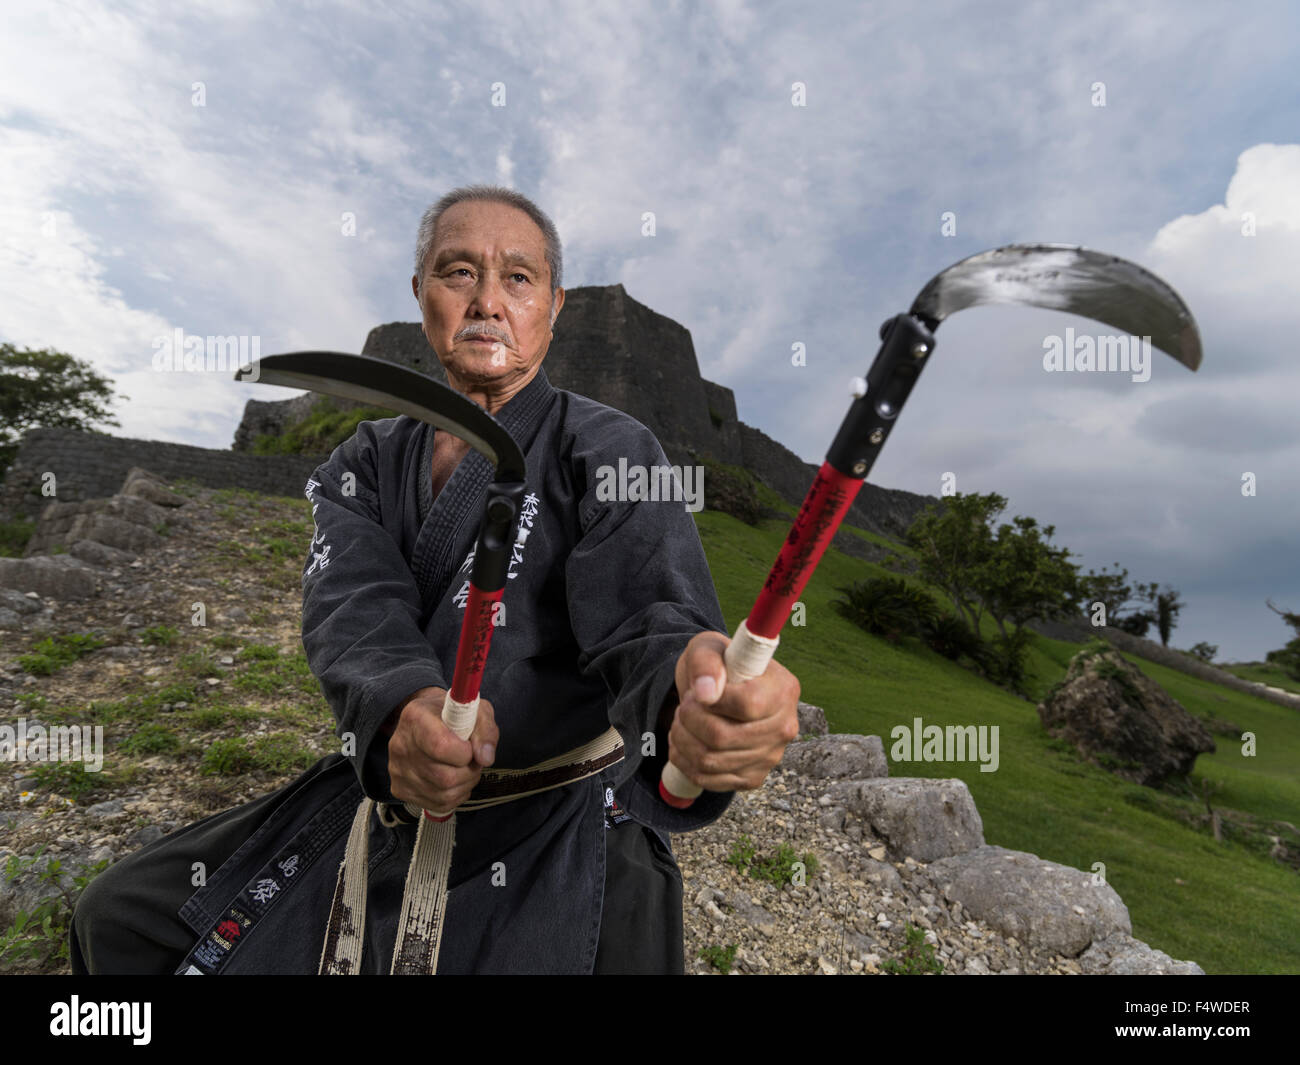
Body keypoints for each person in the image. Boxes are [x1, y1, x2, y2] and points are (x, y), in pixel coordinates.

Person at [70, 184, 801, 975]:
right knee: (120, 922)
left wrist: (690, 695)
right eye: (459, 272)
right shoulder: (366, 461)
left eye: (518, 278)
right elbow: (353, 605)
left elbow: (651, 616)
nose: (488, 298)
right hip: (393, 800)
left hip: (561, 823)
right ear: (420, 293)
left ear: (553, 308)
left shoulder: (610, 446)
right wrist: (402, 712)